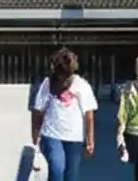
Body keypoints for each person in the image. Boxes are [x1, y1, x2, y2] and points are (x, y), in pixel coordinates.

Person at [31, 47, 97, 181]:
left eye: (68, 76)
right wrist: (35, 134)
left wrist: (90, 140)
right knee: (57, 168)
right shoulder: (48, 84)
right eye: (62, 76)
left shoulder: (82, 85)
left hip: (74, 138)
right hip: (51, 135)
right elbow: (38, 110)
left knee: (70, 177)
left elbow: (88, 115)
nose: (65, 80)